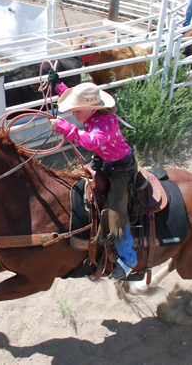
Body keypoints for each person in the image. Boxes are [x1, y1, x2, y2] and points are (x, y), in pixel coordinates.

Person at [48, 75, 138, 280]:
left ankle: (128, 261)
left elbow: (91, 142)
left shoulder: (106, 123)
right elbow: (77, 99)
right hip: (104, 161)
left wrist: (64, 127)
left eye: (76, 110)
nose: (73, 112)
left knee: (114, 212)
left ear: (93, 108)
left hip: (121, 169)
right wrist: (58, 86)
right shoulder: (89, 112)